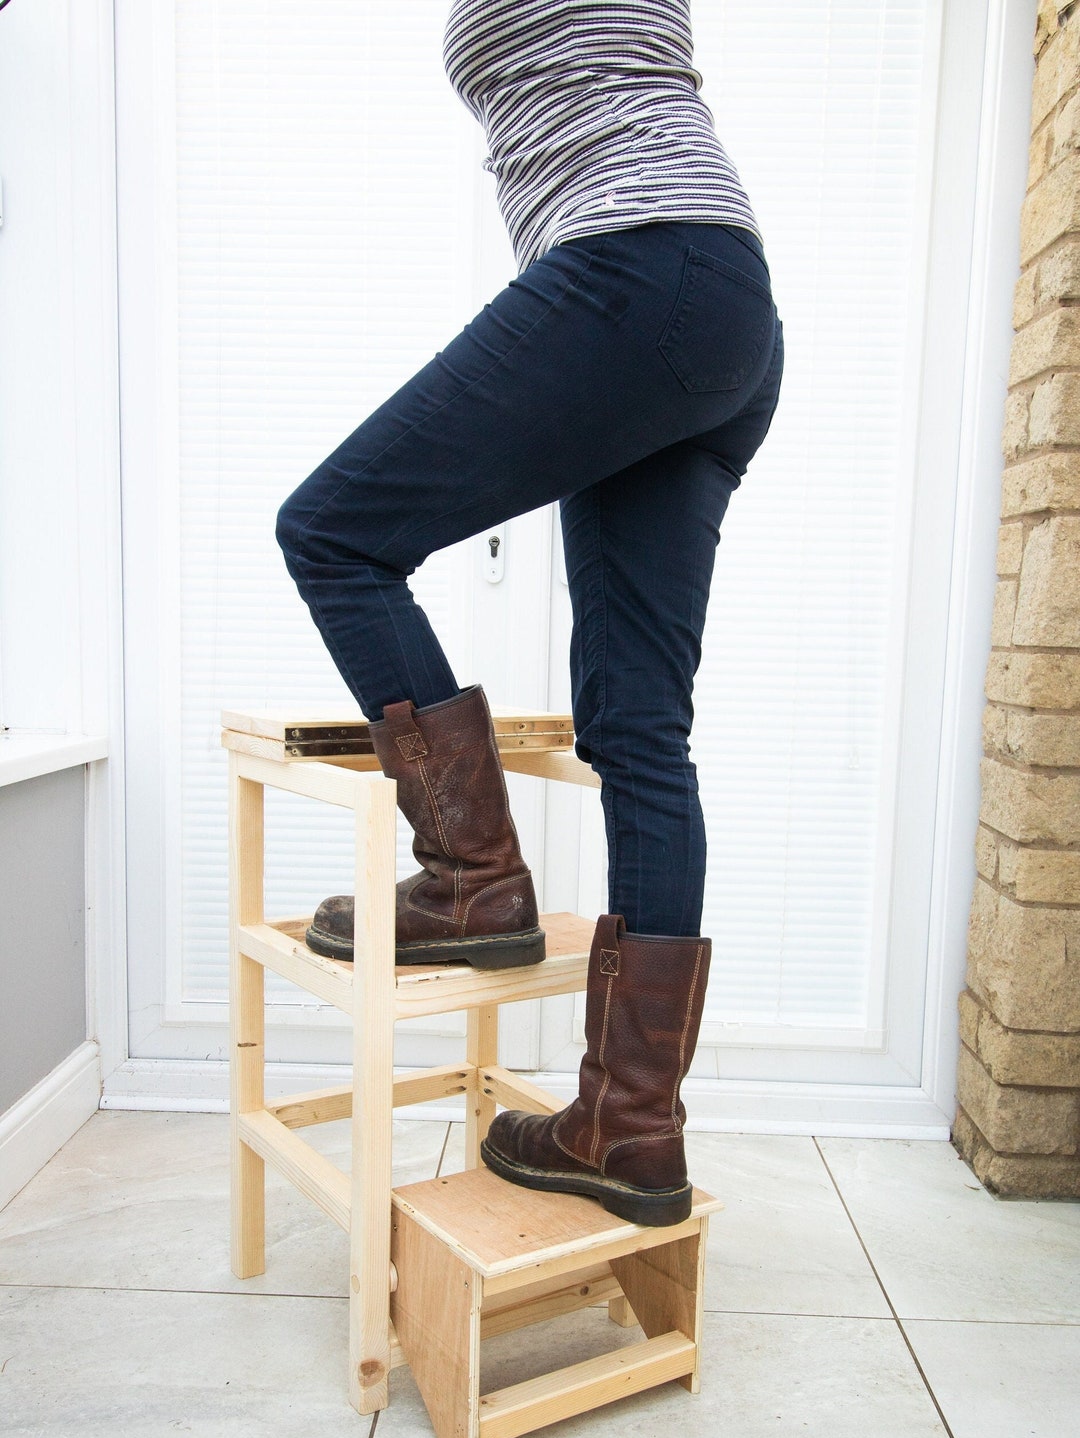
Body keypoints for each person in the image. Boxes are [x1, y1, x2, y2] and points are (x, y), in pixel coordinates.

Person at [276, 0, 784, 1227]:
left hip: (636, 266)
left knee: (333, 531)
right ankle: (629, 1128)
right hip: (724, 304)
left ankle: (469, 879)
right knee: (641, 730)